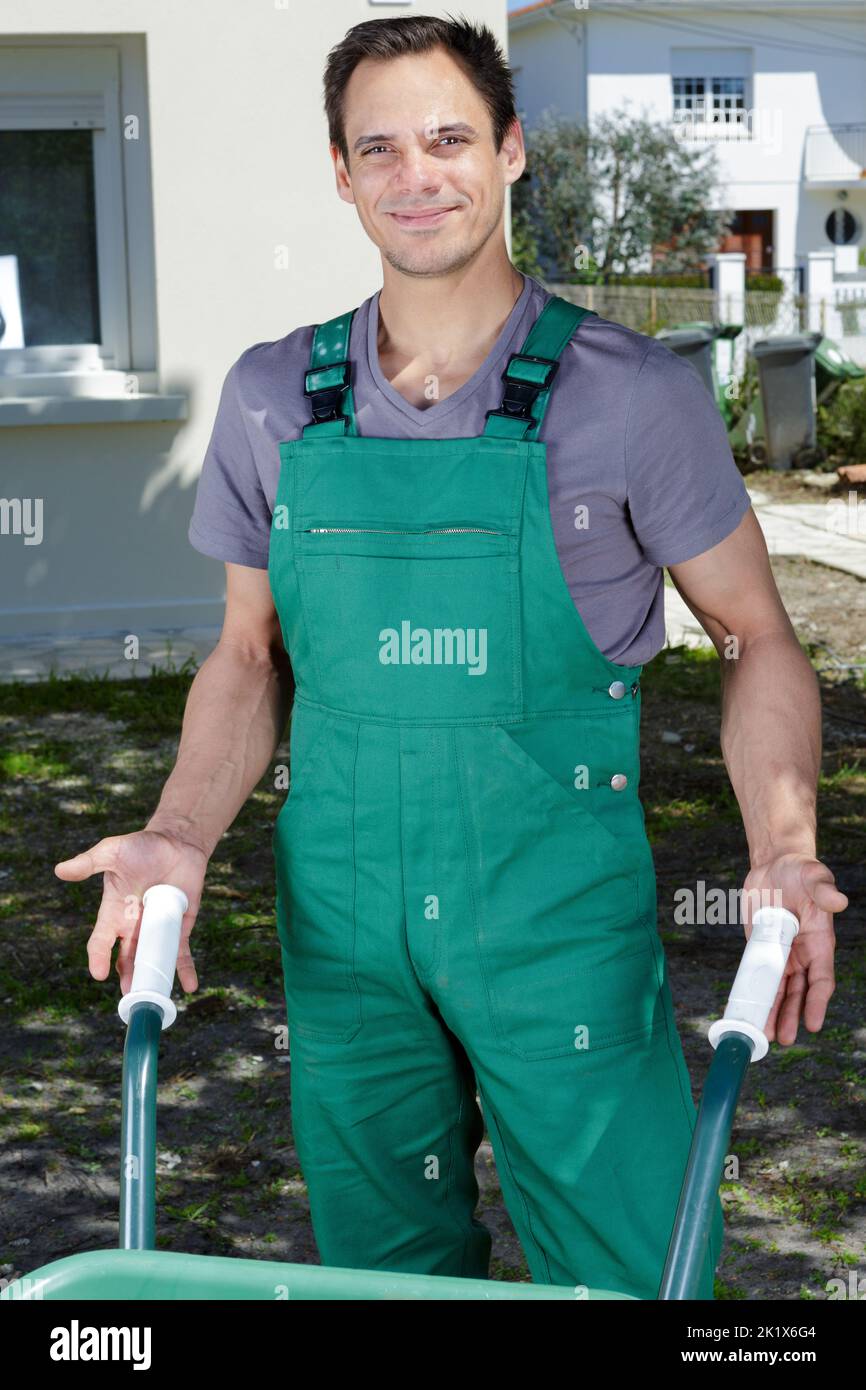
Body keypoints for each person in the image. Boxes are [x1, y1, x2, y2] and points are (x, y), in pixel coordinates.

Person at [55, 14, 847, 1299]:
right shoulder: (273, 398)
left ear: (511, 150)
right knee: (382, 1280)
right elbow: (250, 660)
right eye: (380, 147)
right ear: (341, 173)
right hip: (346, 929)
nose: (415, 174)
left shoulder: (629, 392)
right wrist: (180, 834)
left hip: (556, 931)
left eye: (446, 138)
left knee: (638, 1272)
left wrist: (778, 845)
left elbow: (754, 634)